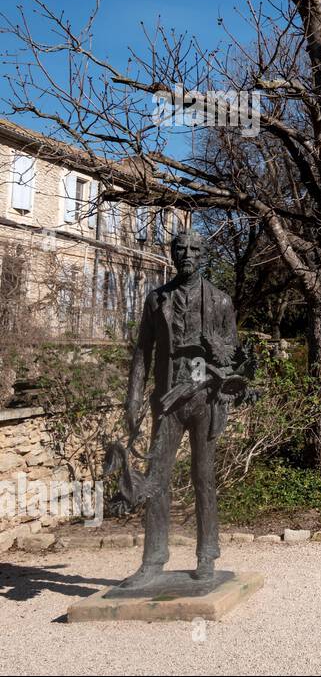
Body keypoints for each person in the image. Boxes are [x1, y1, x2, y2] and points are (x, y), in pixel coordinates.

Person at [119, 229, 237, 587]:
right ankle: (154, 559)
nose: (187, 254)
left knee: (203, 477)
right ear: (172, 254)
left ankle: (207, 554)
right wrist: (134, 396)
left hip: (204, 399)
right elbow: (143, 351)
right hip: (167, 402)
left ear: (203, 256)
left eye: (194, 249)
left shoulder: (220, 302)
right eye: (180, 248)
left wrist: (221, 353)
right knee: (157, 478)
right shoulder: (157, 300)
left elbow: (234, 353)